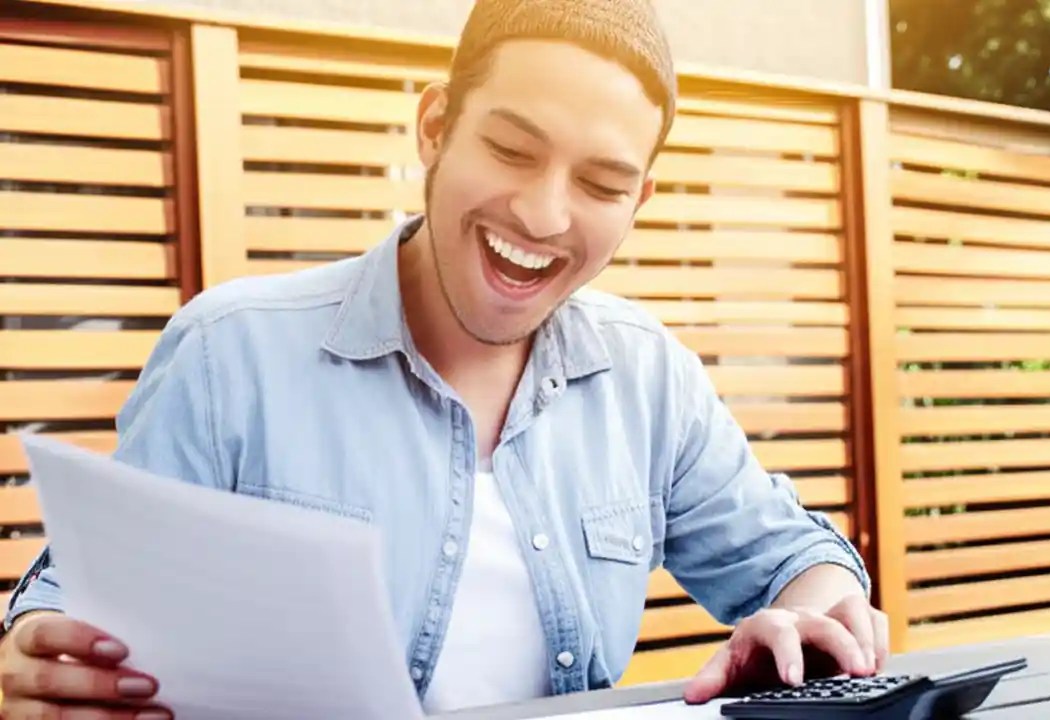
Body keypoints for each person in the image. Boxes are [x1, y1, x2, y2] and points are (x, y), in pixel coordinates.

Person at [0, 0, 889, 716]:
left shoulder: (649, 381)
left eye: (602, 185)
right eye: (510, 149)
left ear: (641, 199)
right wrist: (38, 649)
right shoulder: (229, 355)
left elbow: (796, 558)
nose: (544, 215)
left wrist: (807, 621)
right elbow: (82, 592)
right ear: (434, 127)